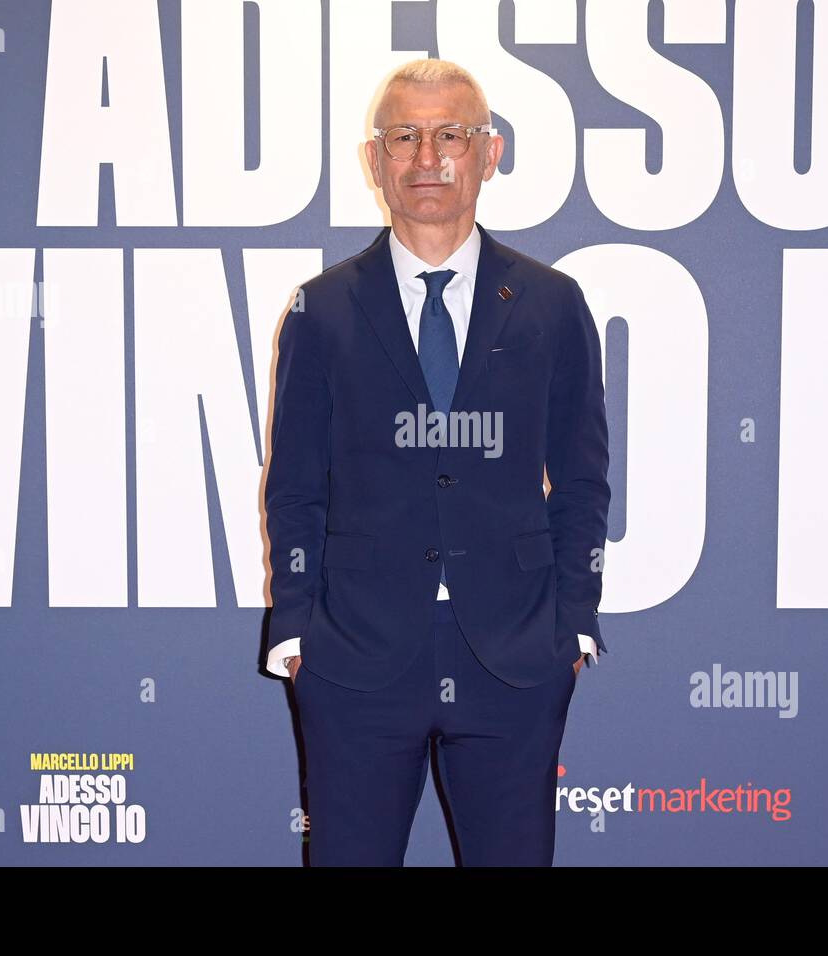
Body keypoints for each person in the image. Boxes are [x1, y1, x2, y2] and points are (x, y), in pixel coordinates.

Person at [263, 57, 610, 865]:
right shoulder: (321, 311)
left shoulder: (553, 305)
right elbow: (295, 485)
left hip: (516, 653)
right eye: (405, 137)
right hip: (353, 653)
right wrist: (295, 626)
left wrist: (574, 622)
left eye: (450, 134)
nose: (428, 158)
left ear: (489, 153)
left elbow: (583, 478)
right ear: (375, 160)